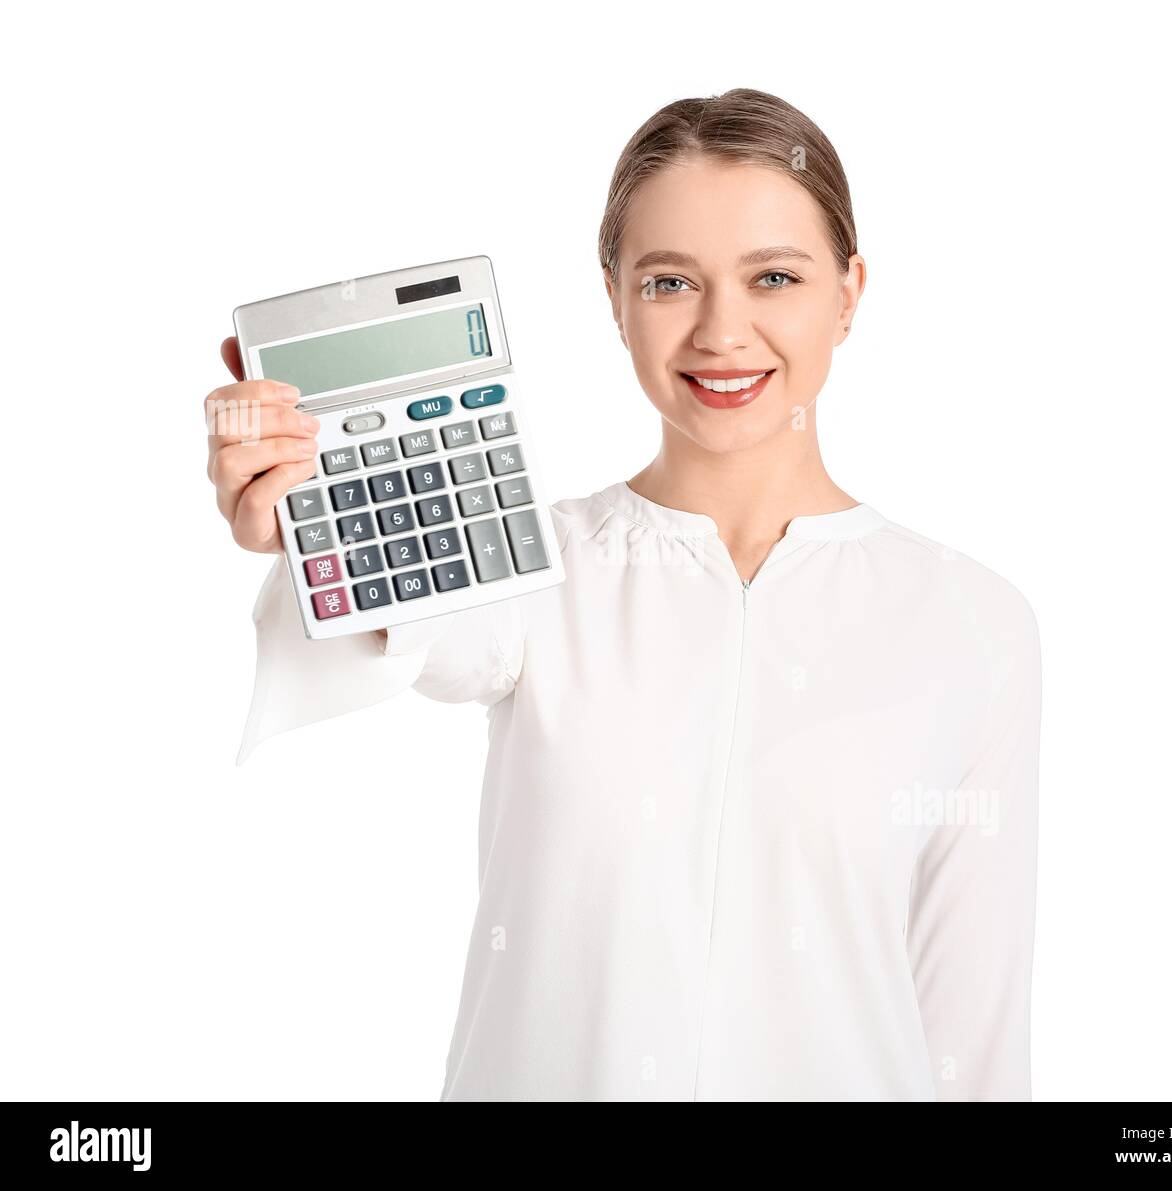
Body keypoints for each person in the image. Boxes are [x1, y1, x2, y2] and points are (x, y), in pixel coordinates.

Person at [204, 88, 1042, 1102]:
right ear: (613, 296)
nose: (722, 332)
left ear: (849, 291)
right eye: (668, 283)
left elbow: (971, 1023)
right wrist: (303, 522)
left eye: (773, 276)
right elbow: (400, 624)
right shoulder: (532, 569)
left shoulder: (969, 624)